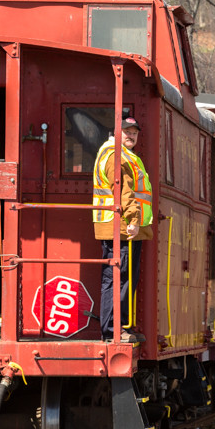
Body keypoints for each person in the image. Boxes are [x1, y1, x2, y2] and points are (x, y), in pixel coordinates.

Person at [92, 116, 153, 343]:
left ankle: (121, 327)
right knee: (117, 279)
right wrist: (134, 219)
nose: (131, 135)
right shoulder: (115, 156)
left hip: (124, 227)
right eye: (127, 131)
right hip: (122, 228)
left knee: (125, 278)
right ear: (116, 132)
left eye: (134, 132)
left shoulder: (124, 155)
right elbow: (123, 192)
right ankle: (112, 331)